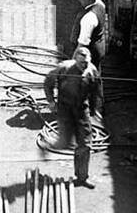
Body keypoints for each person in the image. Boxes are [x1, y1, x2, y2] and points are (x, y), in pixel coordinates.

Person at [43, 47, 104, 188]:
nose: (85, 65)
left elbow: (97, 91)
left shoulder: (92, 70)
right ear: (75, 59)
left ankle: (82, 178)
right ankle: (47, 146)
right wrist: (51, 101)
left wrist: (95, 110)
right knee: (64, 143)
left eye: (87, 62)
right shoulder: (63, 67)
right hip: (65, 109)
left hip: (82, 109)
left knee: (85, 144)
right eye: (82, 63)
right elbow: (48, 83)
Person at [72, 0, 109, 104]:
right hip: (100, 45)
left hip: (90, 51)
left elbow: (83, 43)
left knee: (83, 77)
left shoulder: (89, 17)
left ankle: (89, 106)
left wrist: (73, 61)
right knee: (95, 74)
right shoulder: (100, 3)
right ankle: (98, 102)